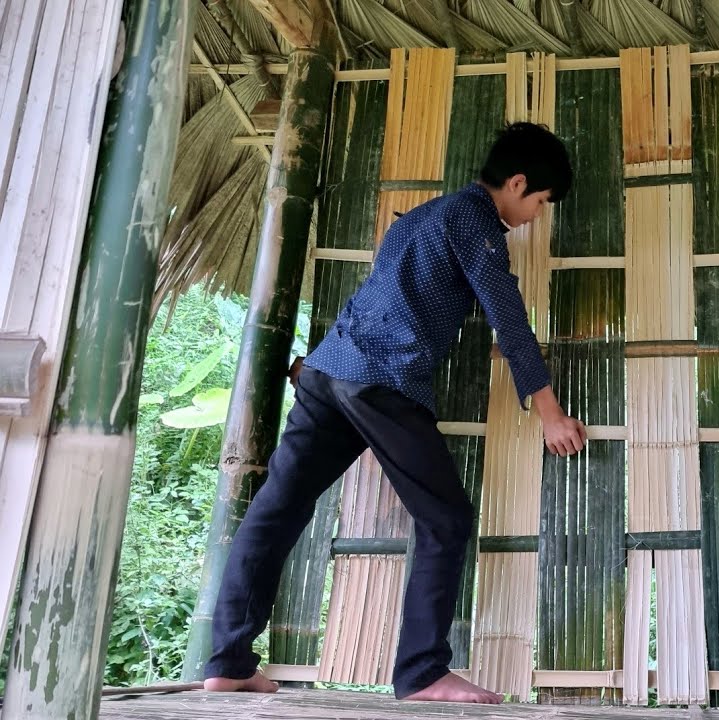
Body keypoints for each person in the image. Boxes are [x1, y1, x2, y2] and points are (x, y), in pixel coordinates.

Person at [203, 122, 587, 704]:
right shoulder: (474, 219)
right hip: (381, 381)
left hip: (328, 373)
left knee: (276, 509)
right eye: (539, 200)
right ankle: (423, 671)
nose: (536, 214)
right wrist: (551, 413)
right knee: (447, 520)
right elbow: (507, 316)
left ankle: (228, 660)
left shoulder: (421, 218)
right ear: (517, 182)